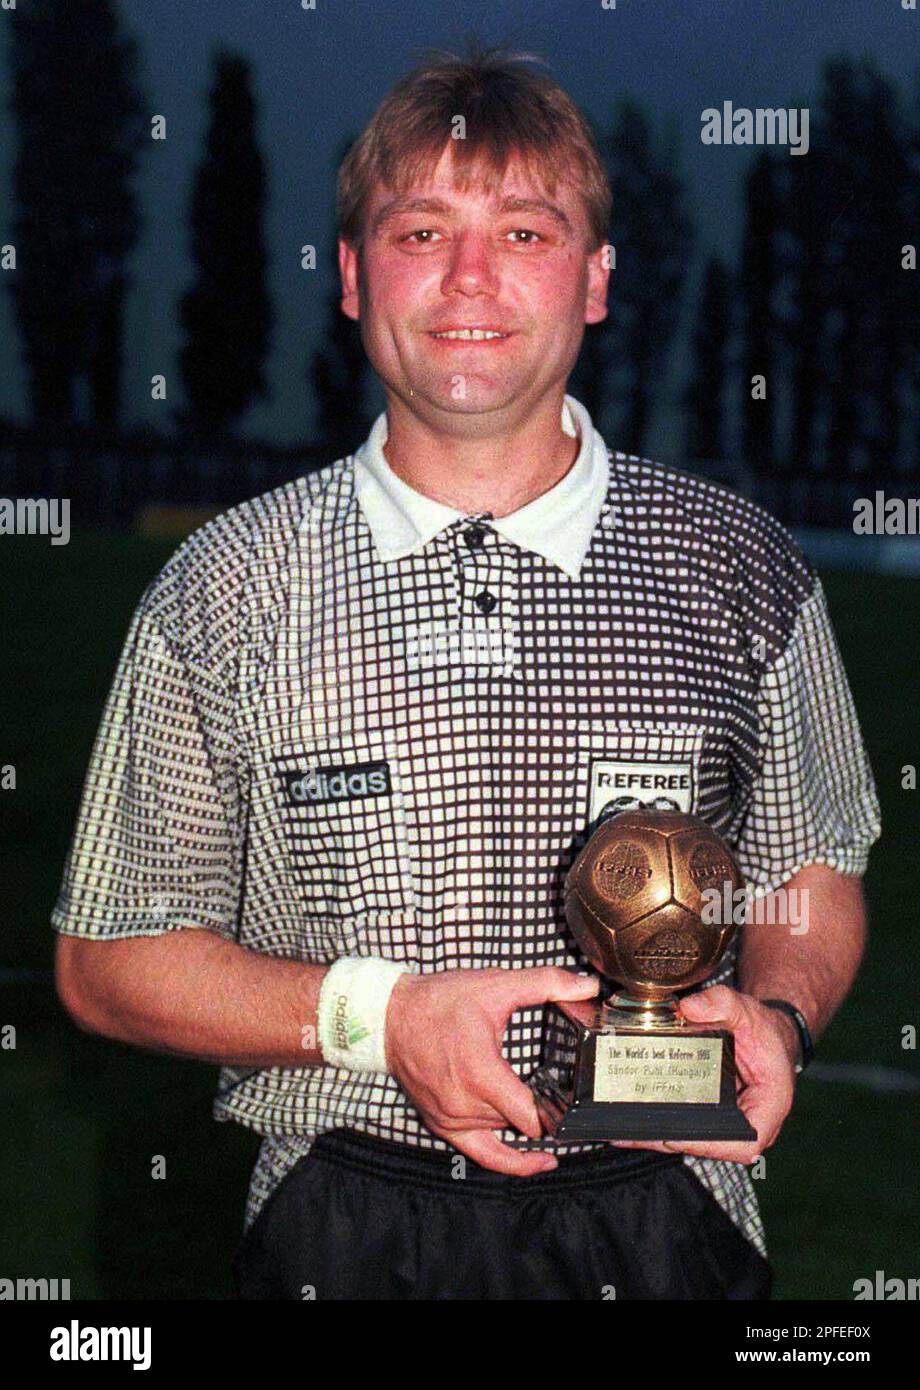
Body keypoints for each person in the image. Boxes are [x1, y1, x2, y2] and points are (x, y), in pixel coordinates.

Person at [52, 44, 881, 1301]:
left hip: (669, 1209)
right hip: (339, 1208)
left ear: (597, 280)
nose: (470, 278)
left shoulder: (736, 567)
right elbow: (106, 955)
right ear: (347, 277)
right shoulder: (223, 587)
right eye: (421, 229)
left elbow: (811, 866)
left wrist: (780, 1014)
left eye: (526, 232)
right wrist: (382, 1019)